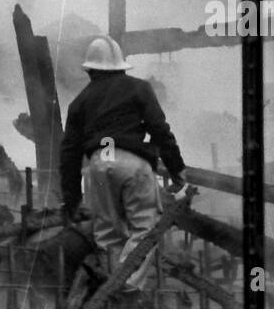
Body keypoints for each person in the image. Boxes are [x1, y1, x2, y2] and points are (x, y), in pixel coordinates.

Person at [59, 36, 187, 295]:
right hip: (132, 162)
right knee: (144, 228)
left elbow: (69, 154)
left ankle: (107, 282)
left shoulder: (79, 102)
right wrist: (177, 170)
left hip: (97, 165)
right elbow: (160, 130)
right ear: (121, 67)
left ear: (90, 70)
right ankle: (125, 286)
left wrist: (72, 202)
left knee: (107, 231)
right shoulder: (139, 88)